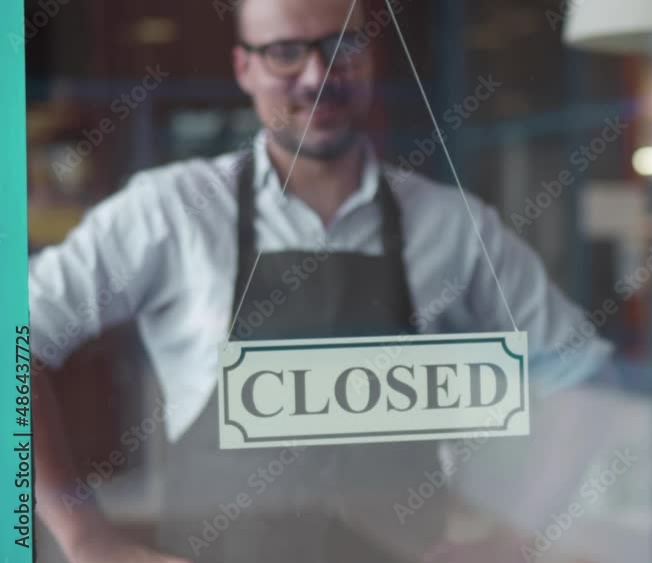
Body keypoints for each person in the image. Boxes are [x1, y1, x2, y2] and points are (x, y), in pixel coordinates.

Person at [30, 0, 619, 561]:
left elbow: (583, 372)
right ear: (244, 67)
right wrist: (86, 538)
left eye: (343, 45)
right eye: (285, 51)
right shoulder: (170, 211)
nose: (318, 76)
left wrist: (517, 536)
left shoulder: (453, 226)